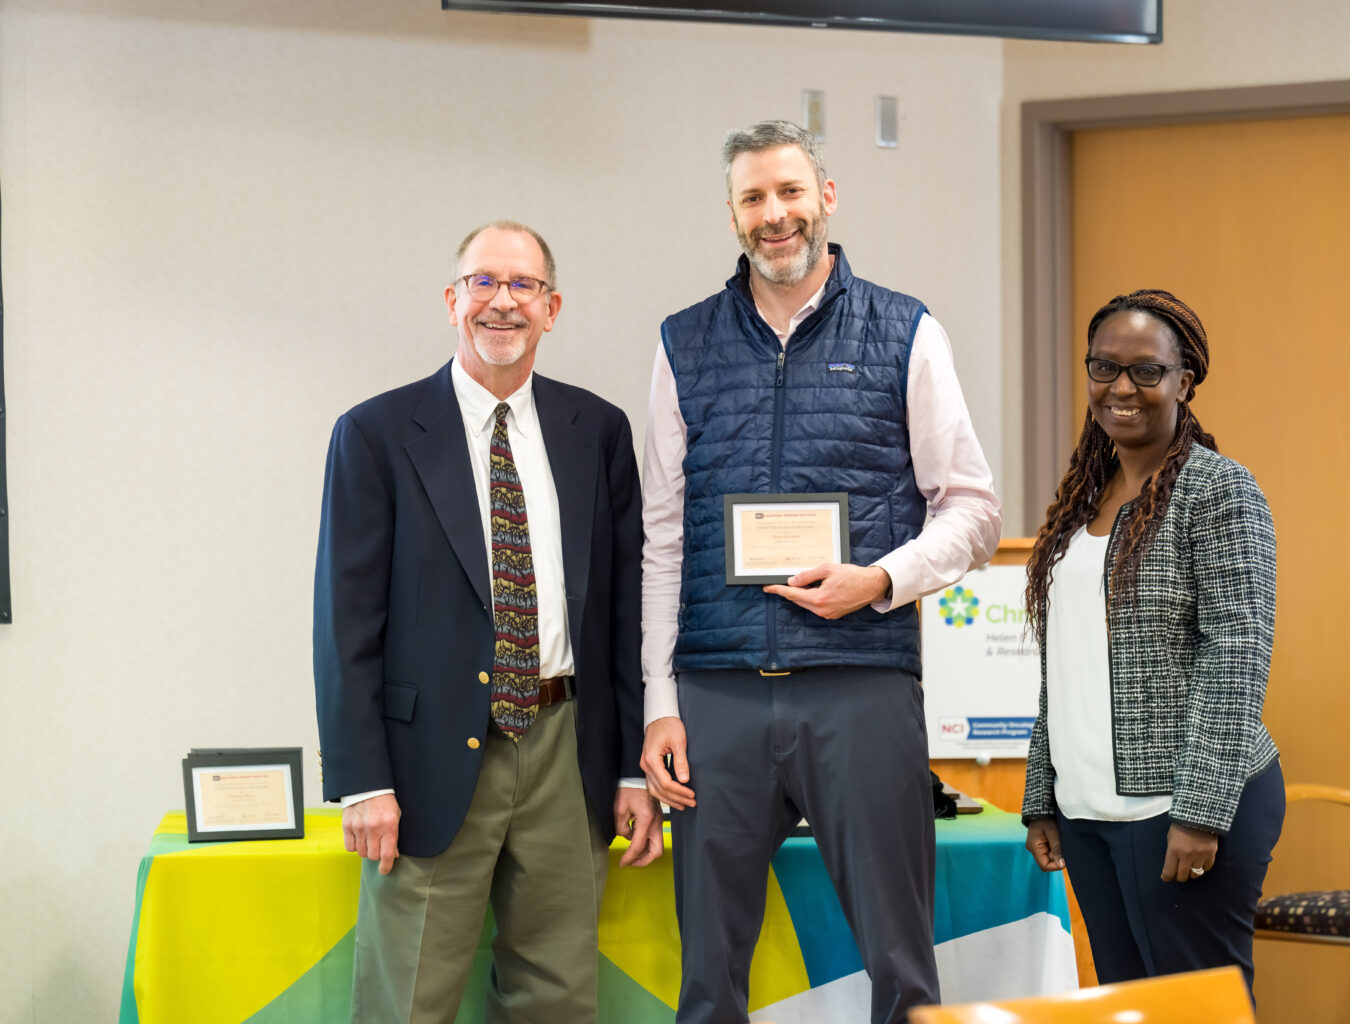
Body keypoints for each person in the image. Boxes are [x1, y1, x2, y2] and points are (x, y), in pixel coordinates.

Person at [639, 120, 1002, 1024]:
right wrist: (658, 700)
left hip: (861, 686)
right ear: (732, 214)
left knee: (900, 964)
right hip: (716, 694)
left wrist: (878, 580)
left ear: (826, 198)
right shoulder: (682, 343)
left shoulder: (907, 330)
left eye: (790, 192)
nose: (775, 215)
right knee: (708, 973)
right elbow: (663, 535)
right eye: (754, 198)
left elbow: (974, 510)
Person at [313, 220, 663, 1024]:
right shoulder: (374, 434)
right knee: (411, 1001)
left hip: (566, 749)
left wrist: (632, 768)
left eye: (524, 286)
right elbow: (344, 622)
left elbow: (623, 610)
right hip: (426, 758)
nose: (502, 301)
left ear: (552, 308)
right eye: (484, 282)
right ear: (451, 300)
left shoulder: (597, 433)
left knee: (557, 998)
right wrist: (364, 779)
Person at [1020, 289, 1283, 994]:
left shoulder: (1219, 491)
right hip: (1088, 812)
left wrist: (1200, 813)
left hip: (1180, 807)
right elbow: (1063, 668)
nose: (1122, 388)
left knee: (1196, 1007)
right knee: (1128, 1004)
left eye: (1146, 370)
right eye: (1104, 367)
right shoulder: (1084, 498)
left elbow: (1236, 654)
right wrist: (1042, 793)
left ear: (1183, 380)